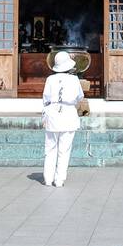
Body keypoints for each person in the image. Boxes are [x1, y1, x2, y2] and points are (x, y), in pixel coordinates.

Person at [41, 50, 84, 187]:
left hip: (52, 113)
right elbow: (80, 97)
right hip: (68, 114)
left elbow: (45, 98)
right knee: (64, 150)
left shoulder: (50, 79)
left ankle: (48, 178)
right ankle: (59, 180)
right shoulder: (74, 79)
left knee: (50, 148)